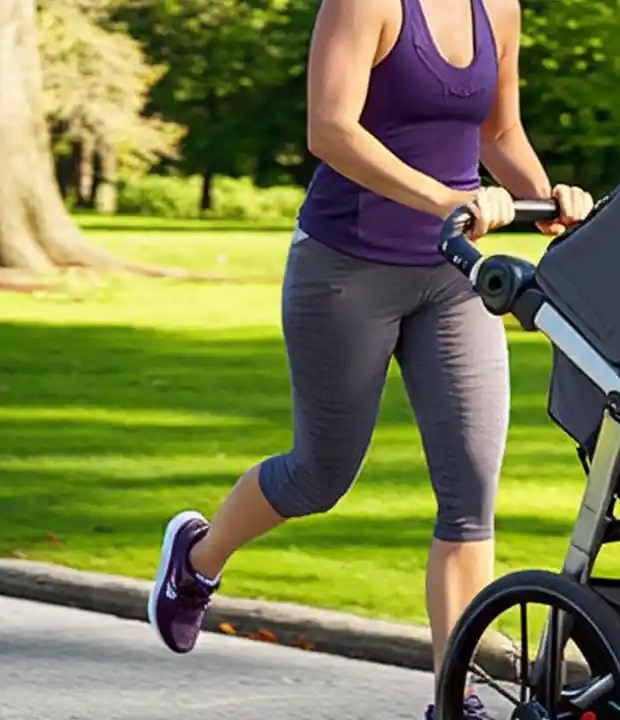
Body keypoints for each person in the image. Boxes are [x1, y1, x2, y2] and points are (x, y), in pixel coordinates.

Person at [145, 0, 593, 716]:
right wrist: (445, 197)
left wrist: (549, 199)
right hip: (346, 270)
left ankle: (454, 700)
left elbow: (498, 130)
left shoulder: (497, 8)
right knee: (320, 476)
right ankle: (196, 562)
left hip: (454, 277)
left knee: (471, 495)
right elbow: (330, 129)